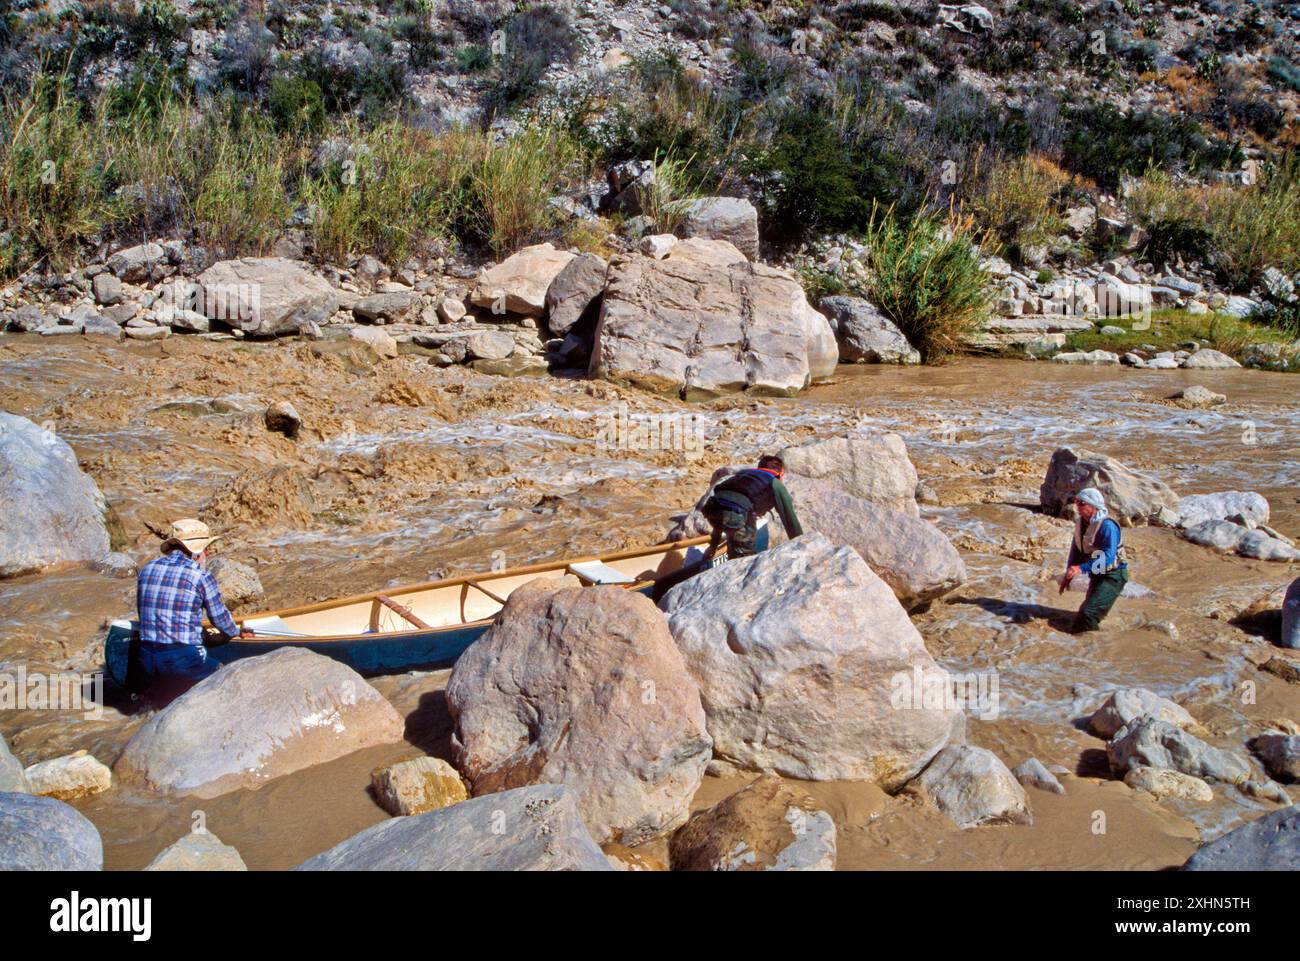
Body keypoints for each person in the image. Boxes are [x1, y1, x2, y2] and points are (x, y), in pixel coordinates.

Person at [134, 519, 251, 700]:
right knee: (225, 677)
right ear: (197, 552)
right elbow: (219, 619)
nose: (208, 553)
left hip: (146, 658)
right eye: (206, 549)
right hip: (181, 661)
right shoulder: (201, 576)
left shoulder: (147, 569)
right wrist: (234, 632)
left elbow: (146, 614)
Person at [702, 455, 803, 561]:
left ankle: (726, 555)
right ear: (780, 473)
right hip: (735, 515)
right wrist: (801, 544)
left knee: (736, 526)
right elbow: (790, 521)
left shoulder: (744, 474)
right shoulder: (774, 482)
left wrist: (713, 545)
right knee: (744, 558)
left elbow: (724, 508)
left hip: (711, 508)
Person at [1059, 487, 1129, 633]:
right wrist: (1069, 572)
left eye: (1081, 503)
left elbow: (1108, 558)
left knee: (1088, 614)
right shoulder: (1082, 523)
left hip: (1113, 576)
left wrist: (1081, 569)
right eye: (1076, 502)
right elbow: (1076, 550)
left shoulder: (1107, 526)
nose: (1077, 506)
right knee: (1082, 618)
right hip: (1097, 574)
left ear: (1094, 506)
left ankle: (1097, 647)